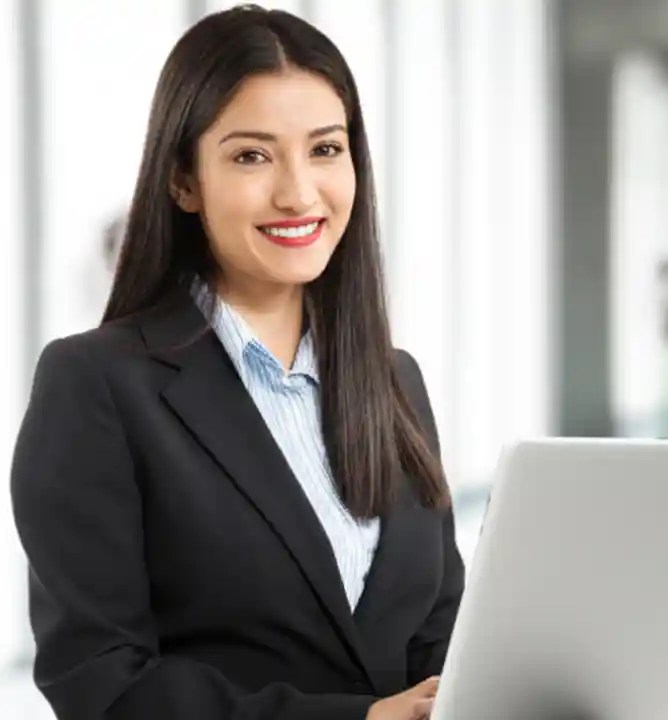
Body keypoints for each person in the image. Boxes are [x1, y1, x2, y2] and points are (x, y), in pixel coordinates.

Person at [9, 5, 462, 719]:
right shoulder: (97, 385)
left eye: (325, 150)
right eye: (252, 155)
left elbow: (439, 635)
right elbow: (99, 682)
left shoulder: (394, 380)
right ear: (184, 182)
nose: (298, 193)